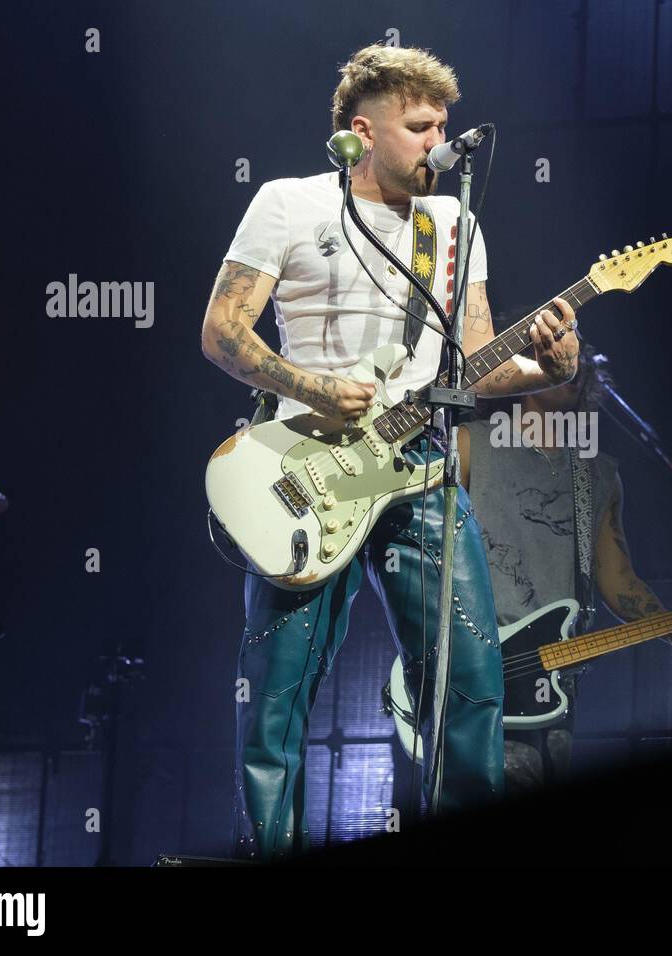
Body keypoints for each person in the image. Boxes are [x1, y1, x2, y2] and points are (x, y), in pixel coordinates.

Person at [199, 44, 580, 859]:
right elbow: (223, 331)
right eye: (420, 126)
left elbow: (477, 360)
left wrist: (548, 370)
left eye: (442, 125)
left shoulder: (454, 225)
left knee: (471, 682)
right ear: (363, 132)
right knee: (278, 693)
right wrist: (309, 385)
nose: (438, 142)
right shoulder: (289, 203)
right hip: (303, 472)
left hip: (419, 470)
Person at [456, 347, 672, 793]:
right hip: (474, 672)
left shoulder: (596, 473)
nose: (571, 362)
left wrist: (669, 623)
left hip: (555, 682)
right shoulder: (468, 444)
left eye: (577, 355)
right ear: (521, 368)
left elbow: (618, 578)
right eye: (556, 350)